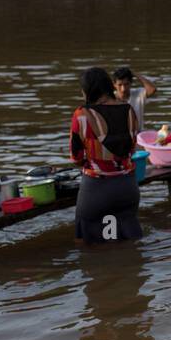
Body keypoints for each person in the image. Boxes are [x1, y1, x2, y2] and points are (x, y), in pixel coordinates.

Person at [69, 67, 142, 244]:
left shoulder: (81, 115)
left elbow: (76, 157)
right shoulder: (129, 110)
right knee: (128, 242)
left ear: (88, 90)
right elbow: (132, 148)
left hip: (96, 189)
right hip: (127, 187)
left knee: (91, 247)